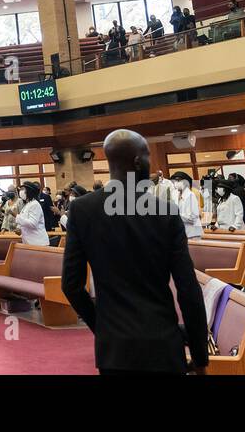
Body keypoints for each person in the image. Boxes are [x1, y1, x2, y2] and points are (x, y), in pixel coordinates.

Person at [61, 129, 208, 375]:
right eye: (148, 156)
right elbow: (188, 290)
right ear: (138, 161)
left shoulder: (82, 211)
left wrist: (104, 327)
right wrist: (200, 356)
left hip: (115, 349)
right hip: (162, 343)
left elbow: (71, 285)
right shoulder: (165, 212)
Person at [14, 181, 50, 246]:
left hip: (38, 243)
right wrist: (20, 228)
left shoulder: (34, 204)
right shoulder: (28, 204)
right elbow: (25, 220)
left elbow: (32, 224)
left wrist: (16, 216)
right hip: (30, 242)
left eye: (23, 189)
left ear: (29, 191)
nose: (20, 192)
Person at [169, 172, 202, 239]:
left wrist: (175, 215)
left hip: (193, 234)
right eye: (174, 181)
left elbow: (192, 218)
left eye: (178, 181)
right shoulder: (177, 196)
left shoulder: (190, 195)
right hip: (184, 233)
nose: (175, 183)